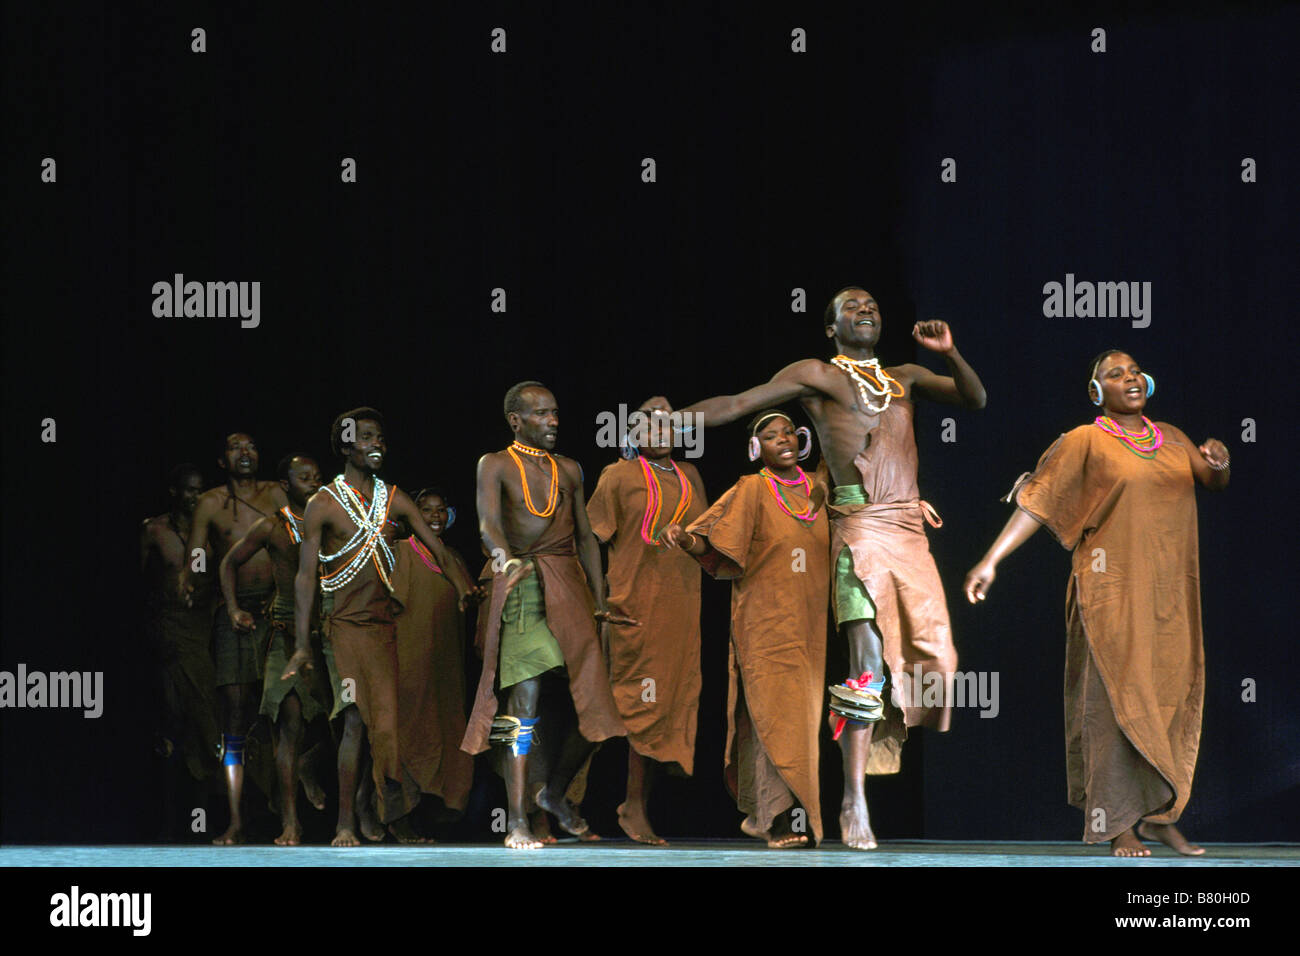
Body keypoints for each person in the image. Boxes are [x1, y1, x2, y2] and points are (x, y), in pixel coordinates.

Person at [676, 287, 986, 848]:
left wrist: (951, 352)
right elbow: (738, 402)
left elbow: (975, 399)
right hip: (859, 527)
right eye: (851, 306)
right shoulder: (816, 375)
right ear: (830, 327)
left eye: (871, 305)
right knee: (866, 661)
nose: (865, 310)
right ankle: (854, 801)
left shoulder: (906, 376)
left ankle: (860, 784)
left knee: (938, 659)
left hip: (907, 531)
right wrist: (672, 421)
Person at [964, 350, 1228, 857]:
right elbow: (1038, 501)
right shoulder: (1085, 441)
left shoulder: (1171, 436)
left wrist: (1220, 461)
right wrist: (990, 560)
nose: (1128, 378)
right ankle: (1119, 823)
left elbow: (1213, 480)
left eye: (1134, 372)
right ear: (1095, 391)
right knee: (1111, 703)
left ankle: (1158, 815)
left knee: (1169, 695)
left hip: (1170, 593)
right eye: (1114, 374)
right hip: (1111, 590)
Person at [282, 408, 476, 846]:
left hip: (383, 629)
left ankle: (387, 814)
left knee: (386, 729)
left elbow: (439, 550)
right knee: (354, 718)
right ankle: (345, 823)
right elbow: (304, 577)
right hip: (343, 631)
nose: (377, 446)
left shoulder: (394, 499)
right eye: (367, 438)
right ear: (347, 446)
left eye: (381, 439)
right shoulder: (324, 503)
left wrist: (463, 588)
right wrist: (301, 645)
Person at [463, 381, 630, 849]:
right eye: (540, 414)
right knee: (525, 705)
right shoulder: (494, 464)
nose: (553, 421)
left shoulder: (571, 469)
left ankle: (553, 793)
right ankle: (517, 821)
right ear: (515, 420)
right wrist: (504, 559)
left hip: (569, 588)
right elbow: (487, 525)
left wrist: (600, 601)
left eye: (555, 413)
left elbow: (585, 539)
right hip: (520, 585)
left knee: (596, 707)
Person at [662, 410, 828, 847]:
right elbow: (710, 541)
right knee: (771, 715)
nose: (784, 440)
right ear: (757, 450)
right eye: (771, 437)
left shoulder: (820, 487)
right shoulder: (751, 488)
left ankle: (778, 816)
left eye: (789, 432)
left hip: (811, 625)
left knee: (802, 719)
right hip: (765, 623)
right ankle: (775, 818)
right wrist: (684, 538)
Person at [586, 398, 707, 845]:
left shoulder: (690, 476)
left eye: (668, 426)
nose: (660, 432)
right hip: (631, 603)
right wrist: (598, 599)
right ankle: (557, 797)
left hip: (680, 606)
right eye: (648, 426)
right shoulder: (616, 475)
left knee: (663, 706)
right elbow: (591, 538)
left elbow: (706, 533)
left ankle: (635, 805)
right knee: (619, 706)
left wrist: (691, 538)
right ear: (631, 435)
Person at [178, 432, 288, 844]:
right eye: (235, 448)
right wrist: (190, 574)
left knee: (284, 710)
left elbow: (299, 542)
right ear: (222, 461)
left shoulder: (278, 492)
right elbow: (199, 552)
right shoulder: (210, 502)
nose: (246, 453)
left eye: (253, 446)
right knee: (235, 715)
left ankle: (287, 816)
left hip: (279, 610)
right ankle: (236, 820)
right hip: (234, 610)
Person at [218, 454, 329, 845]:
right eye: (303, 478)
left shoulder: (332, 520)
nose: (313, 483)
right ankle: (291, 821)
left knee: (344, 719)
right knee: (289, 722)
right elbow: (229, 563)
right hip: (284, 628)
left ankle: (312, 767)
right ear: (285, 484)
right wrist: (234, 608)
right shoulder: (272, 527)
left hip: (330, 624)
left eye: (317, 476)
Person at [386, 487, 475, 841]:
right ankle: (399, 817)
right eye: (426, 511)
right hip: (411, 664)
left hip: (446, 668)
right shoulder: (403, 552)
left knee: (447, 733)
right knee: (410, 733)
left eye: (441, 510)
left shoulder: (452, 558)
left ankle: (435, 815)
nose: (435, 517)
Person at [140, 464, 221, 788]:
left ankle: (206, 786)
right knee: (176, 704)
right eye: (189, 489)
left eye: (201, 490)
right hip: (170, 625)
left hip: (205, 624)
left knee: (205, 699)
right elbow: (137, 581)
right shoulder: (154, 530)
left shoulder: (213, 530)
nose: (195, 497)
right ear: (175, 492)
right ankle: (182, 792)